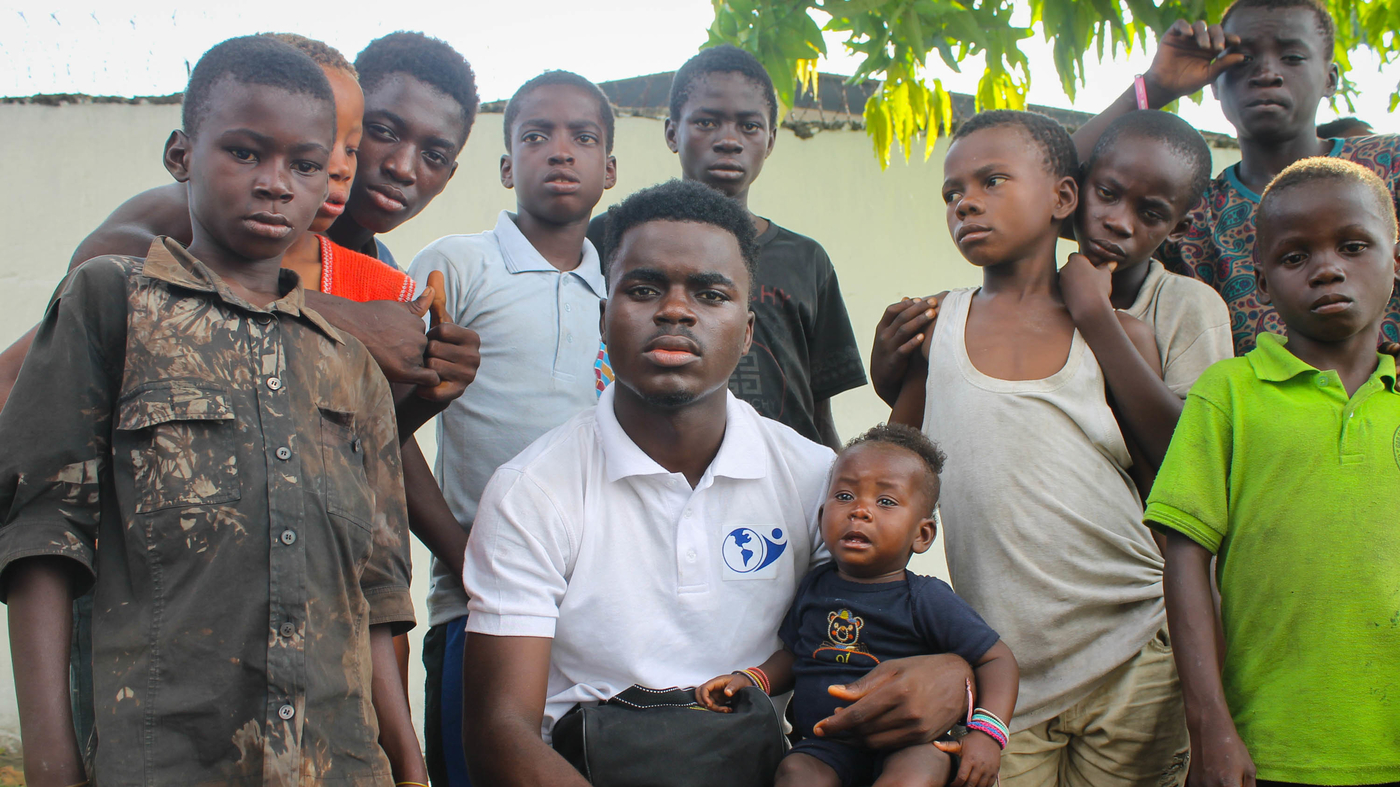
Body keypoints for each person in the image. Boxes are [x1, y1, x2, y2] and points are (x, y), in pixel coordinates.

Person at [0, 36, 426, 784]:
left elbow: (378, 595)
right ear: (181, 155)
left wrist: (411, 767)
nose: (275, 184)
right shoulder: (113, 302)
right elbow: (41, 537)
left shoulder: (348, 364)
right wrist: (51, 760)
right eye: (245, 152)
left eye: (305, 165)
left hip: (340, 765)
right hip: (164, 761)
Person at [461, 179, 976, 787]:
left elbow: (880, 621)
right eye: (644, 289)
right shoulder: (532, 491)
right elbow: (501, 732)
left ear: (749, 330)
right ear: (603, 318)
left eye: (710, 294)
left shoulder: (813, 478)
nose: (675, 311)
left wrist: (956, 675)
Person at [890, 110, 1187, 786]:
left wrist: (1094, 312)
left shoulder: (1121, 335)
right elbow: (894, 474)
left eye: (991, 181)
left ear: (1062, 197)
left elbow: (1171, 474)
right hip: (1007, 678)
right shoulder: (935, 329)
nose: (965, 202)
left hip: (1134, 652)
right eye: (951, 192)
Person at [1147, 157, 1400, 787]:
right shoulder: (1230, 393)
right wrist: (1209, 723)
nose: (1327, 268)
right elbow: (1185, 559)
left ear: (1394, 260)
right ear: (1261, 281)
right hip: (1270, 748)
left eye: (1353, 246)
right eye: (1295, 256)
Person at [406, 69, 617, 787]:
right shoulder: (456, 265)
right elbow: (384, 430)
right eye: (536, 136)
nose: (560, 151)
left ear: (609, 169)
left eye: (582, 137)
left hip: (598, 612)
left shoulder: (623, 291)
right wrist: (465, 557)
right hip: (477, 607)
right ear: (506, 166)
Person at [879, 110, 1233, 472]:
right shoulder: (960, 319)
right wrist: (890, 382)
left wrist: (1094, 314)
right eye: (1106, 194)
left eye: (1151, 214)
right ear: (1078, 190)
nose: (1118, 222)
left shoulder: (1182, 308)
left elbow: (1193, 459)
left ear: (1178, 228)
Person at [696, 424, 1018, 787]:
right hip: (827, 743)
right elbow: (795, 655)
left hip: (909, 743)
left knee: (915, 775)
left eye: (886, 501)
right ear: (821, 517)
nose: (860, 510)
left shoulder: (926, 598)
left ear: (922, 534)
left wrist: (988, 734)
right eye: (845, 495)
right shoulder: (814, 586)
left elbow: (996, 659)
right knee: (795, 773)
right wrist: (750, 679)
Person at [1071, 0, 1400, 355]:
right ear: (1214, 83)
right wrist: (1155, 86)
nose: (1266, 73)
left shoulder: (1389, 163)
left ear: (1330, 78)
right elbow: (1050, 194)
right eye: (1243, 60)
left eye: (1292, 57)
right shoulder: (1189, 213)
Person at [586, 46, 866, 449]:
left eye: (749, 126)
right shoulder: (614, 238)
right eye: (706, 122)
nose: (729, 141)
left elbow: (819, 411)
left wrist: (833, 470)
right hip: (645, 460)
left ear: (771, 140)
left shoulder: (805, 259)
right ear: (672, 133)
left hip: (781, 475)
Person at [327, 31, 479, 269]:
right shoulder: (269, 251)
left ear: (447, 178)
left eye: (434, 156)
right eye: (384, 132)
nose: (402, 169)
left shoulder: (394, 282)